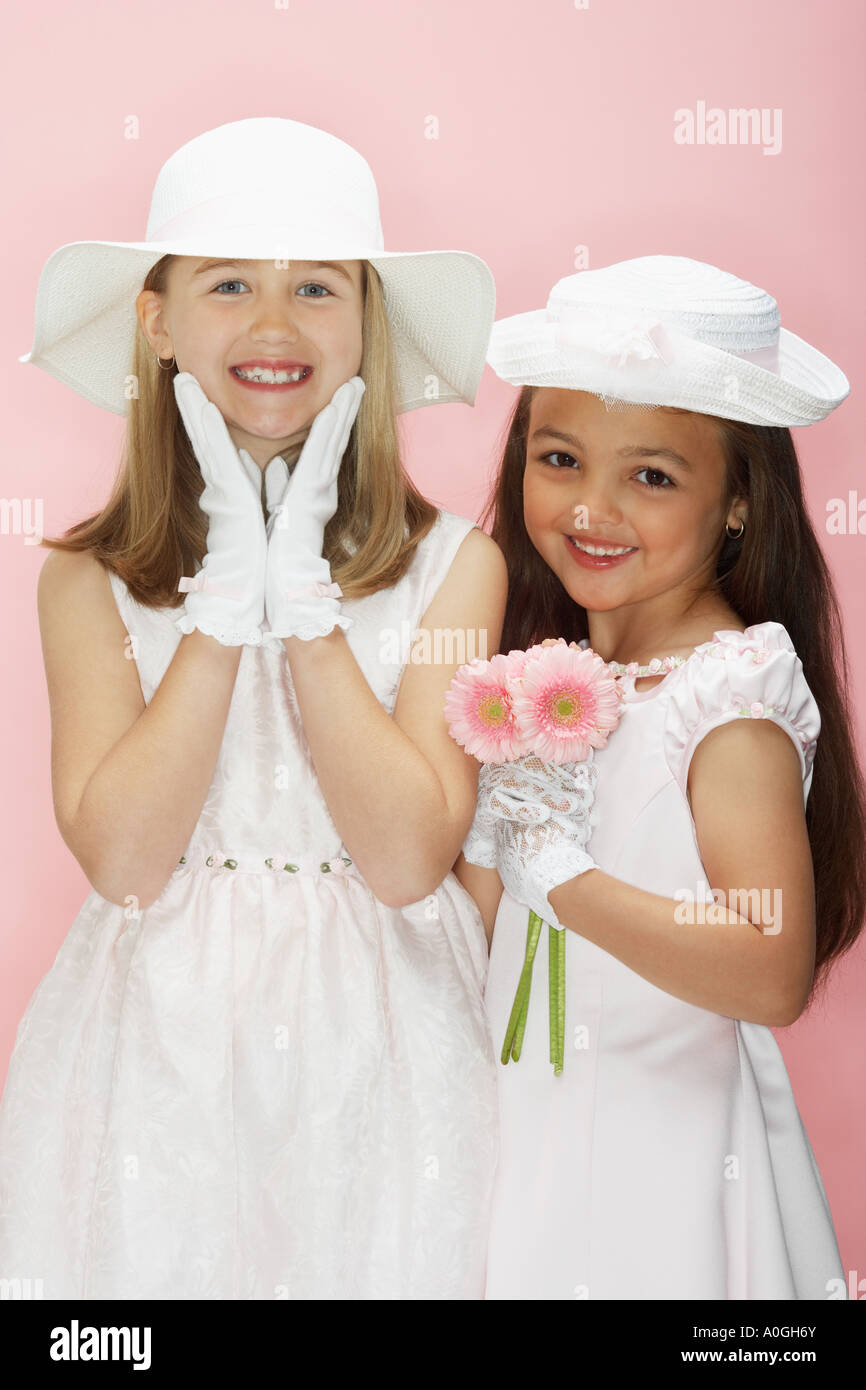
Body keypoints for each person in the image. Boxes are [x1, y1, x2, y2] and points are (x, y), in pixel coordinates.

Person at [0, 116, 507, 1299]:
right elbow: (126, 860)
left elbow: (401, 858)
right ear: (158, 317)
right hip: (155, 1043)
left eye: (316, 287)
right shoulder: (82, 580)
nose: (274, 324)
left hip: (382, 1043)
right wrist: (225, 603)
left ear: (366, 324)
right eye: (229, 282)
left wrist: (308, 607)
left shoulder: (453, 567)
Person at [456, 255, 865, 1299]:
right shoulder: (557, 683)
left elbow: (769, 970)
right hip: (526, 1135)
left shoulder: (723, 698)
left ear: (736, 502)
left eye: (650, 475)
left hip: (659, 1159)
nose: (590, 509)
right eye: (558, 457)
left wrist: (562, 875)